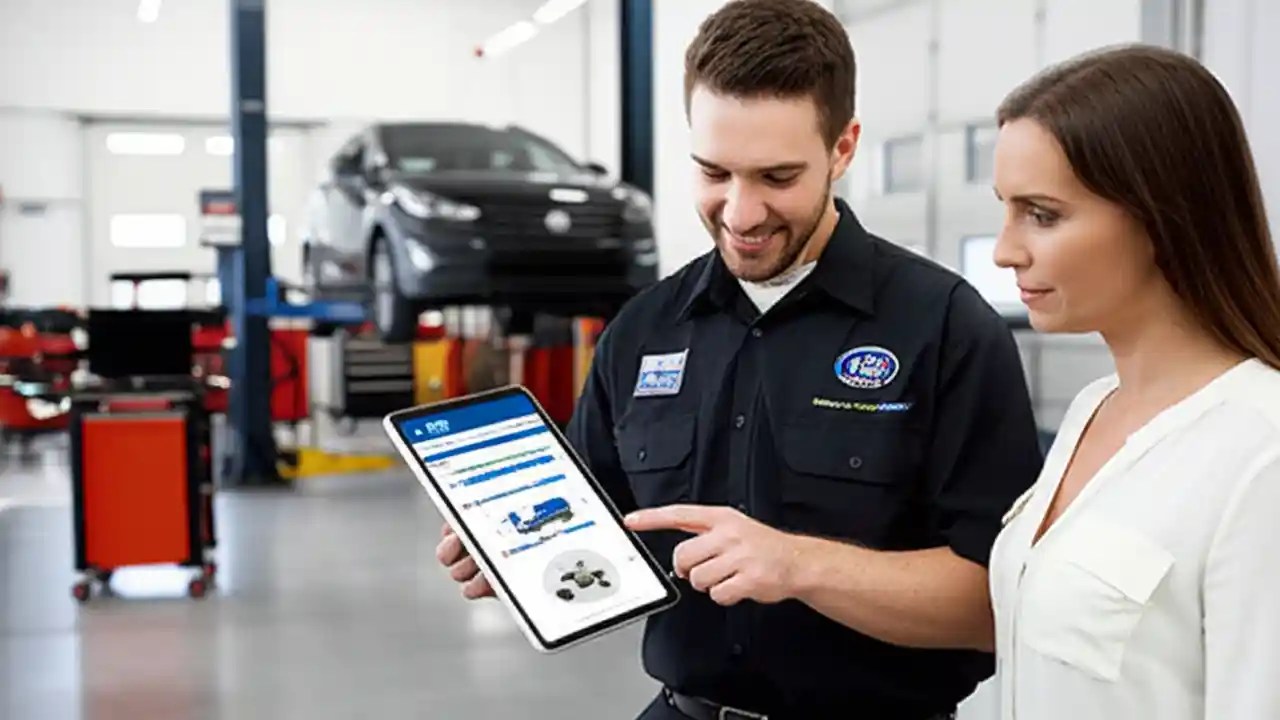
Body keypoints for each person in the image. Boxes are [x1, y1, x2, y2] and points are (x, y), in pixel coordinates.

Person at [437, 1, 1044, 717]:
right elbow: (602, 532)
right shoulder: (643, 330)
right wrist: (515, 549)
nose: (741, 212)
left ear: (842, 149)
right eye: (714, 172)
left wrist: (798, 565)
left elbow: (998, 606)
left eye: (777, 178)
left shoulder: (944, 328)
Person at [988, 44, 1280, 719]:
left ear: (1160, 216)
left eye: (1042, 214)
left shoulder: (1261, 454)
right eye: (1006, 208)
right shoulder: (1096, 408)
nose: (1005, 250)